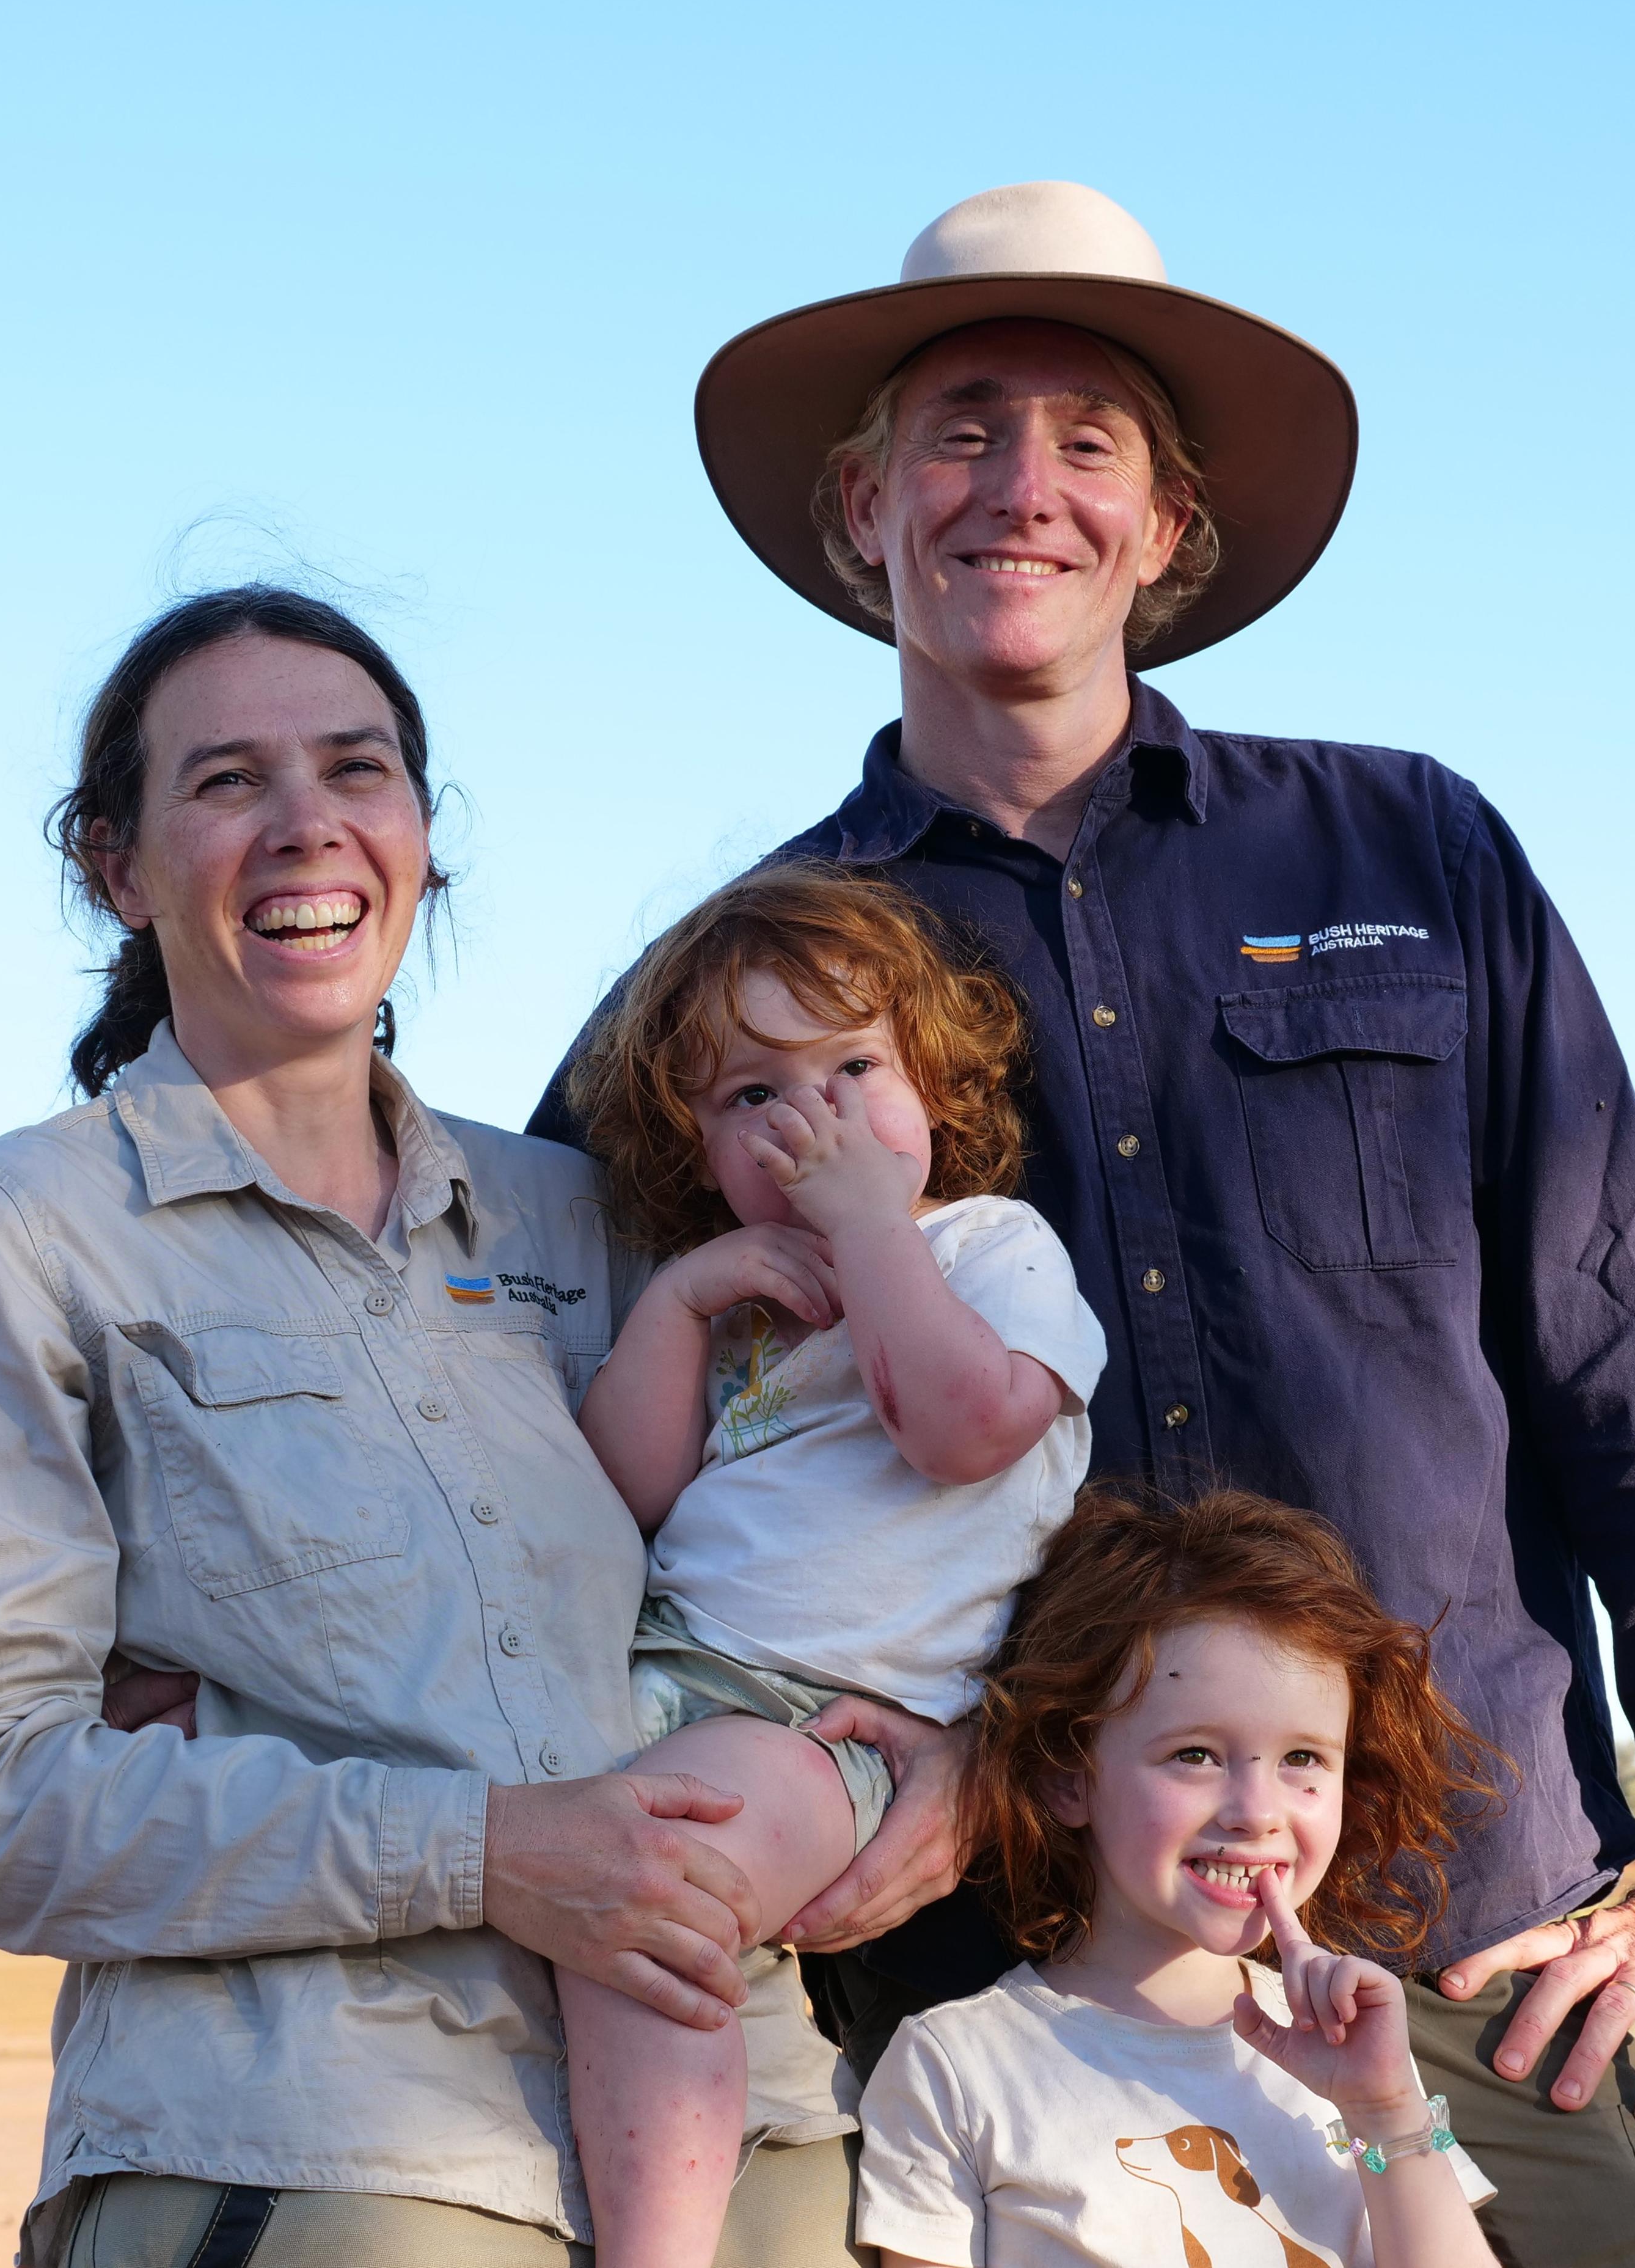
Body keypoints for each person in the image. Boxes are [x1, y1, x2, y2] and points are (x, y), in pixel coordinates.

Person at [530, 181, 1635, 2264]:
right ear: (860, 511)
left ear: (1167, 522)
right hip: (970, 1944)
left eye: (1087, 441)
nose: (1018, 488)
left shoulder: (1415, 845)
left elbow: (1627, 1330)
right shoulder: (749, 989)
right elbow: (508, 1356)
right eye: (956, 430)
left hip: (1452, 1915)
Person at [0, 586, 919, 2267]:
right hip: (316, 2152)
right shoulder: (13, 1236)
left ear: (422, 833)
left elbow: (844, 1547)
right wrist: (492, 1848)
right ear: (115, 864)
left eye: (358, 767)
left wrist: (938, 1779)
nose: (307, 825)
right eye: (226, 780)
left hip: (763, 2137)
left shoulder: (595, 1220)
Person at [558, 860, 1108, 2268]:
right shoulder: (735, 1296)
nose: (808, 1117)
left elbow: (963, 1427)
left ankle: (657, 2248)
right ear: (694, 1138)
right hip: (646, 1668)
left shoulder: (988, 1248)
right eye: (751, 1093)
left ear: (929, 1085)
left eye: (851, 1067)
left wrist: (871, 1235)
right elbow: (621, 1491)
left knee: (656, 1903)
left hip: (820, 1718)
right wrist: (681, 1303)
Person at [856, 1488, 1499, 2268]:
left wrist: (1385, 2112)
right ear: (1069, 1778)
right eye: (1194, 1755)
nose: (1257, 1812)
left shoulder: (1357, 2059)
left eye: (1303, 1758)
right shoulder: (955, 2069)